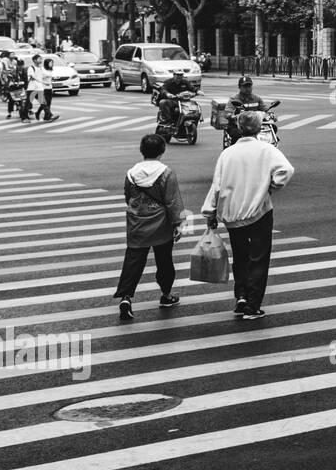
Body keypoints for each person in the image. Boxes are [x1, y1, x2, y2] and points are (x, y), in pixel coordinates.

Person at [201, 110, 296, 321]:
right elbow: (286, 171)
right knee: (258, 258)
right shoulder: (266, 150)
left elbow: (217, 185)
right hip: (259, 212)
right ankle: (252, 305)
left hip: (233, 214)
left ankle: (241, 297)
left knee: (241, 257)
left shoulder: (227, 153)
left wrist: (210, 212)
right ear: (258, 128)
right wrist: (269, 188)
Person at [113, 134, 186, 322]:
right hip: (160, 224)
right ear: (162, 151)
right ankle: (166, 295)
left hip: (137, 223)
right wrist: (178, 223)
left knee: (133, 261)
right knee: (164, 261)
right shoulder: (166, 172)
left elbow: (128, 197)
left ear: (141, 150)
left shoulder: (131, 173)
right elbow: (172, 201)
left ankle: (126, 298)